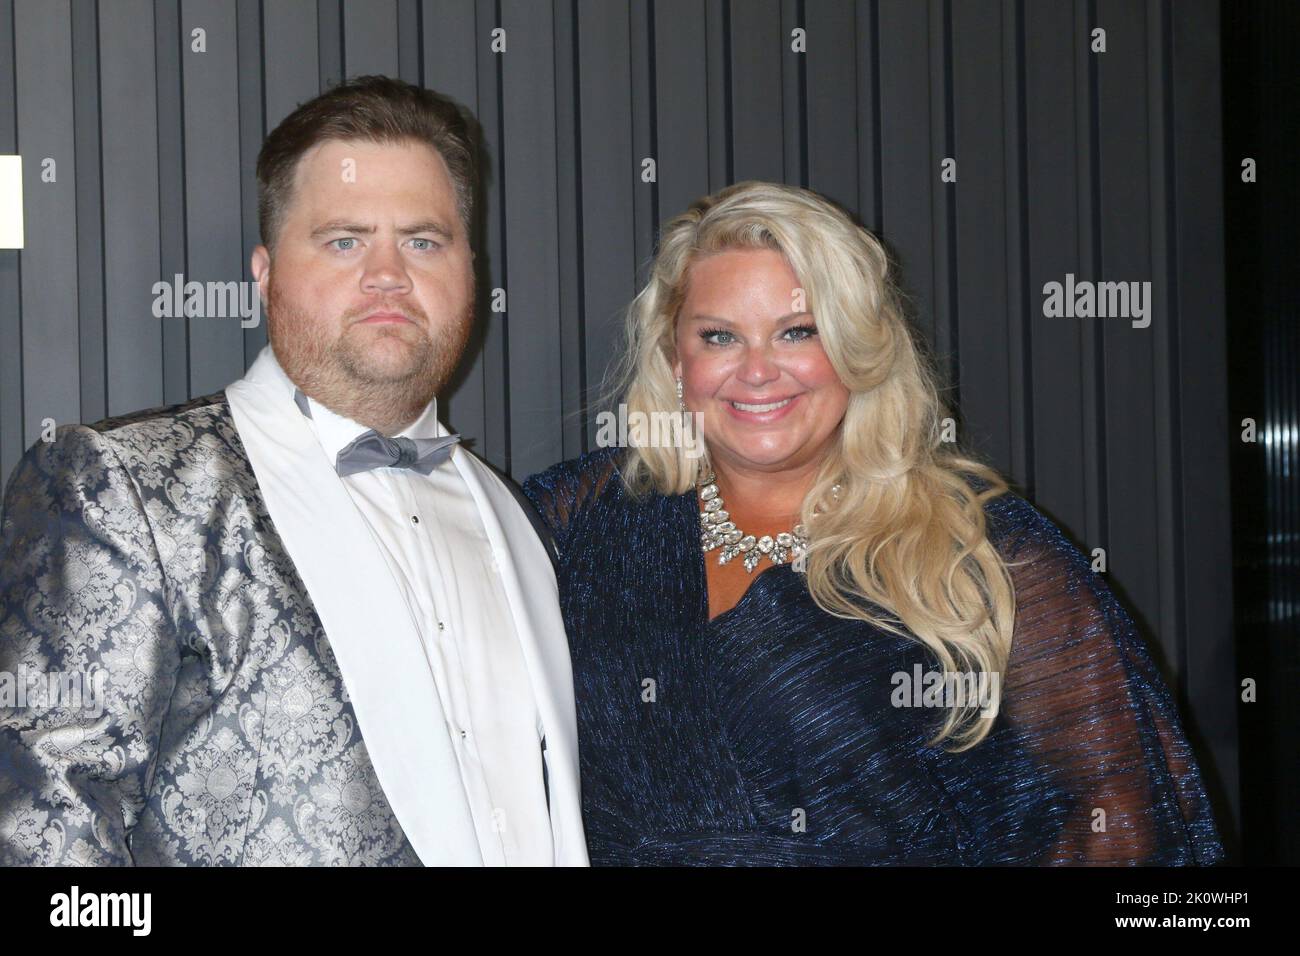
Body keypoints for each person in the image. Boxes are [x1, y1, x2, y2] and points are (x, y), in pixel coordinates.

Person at [523, 180, 1224, 866]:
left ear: (858, 349)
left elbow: (1121, 812)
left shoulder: (973, 545)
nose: (758, 371)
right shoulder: (592, 513)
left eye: (798, 331)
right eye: (720, 337)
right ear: (678, 360)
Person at [0, 75, 587, 866]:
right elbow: (47, 846)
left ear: (470, 273)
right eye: (345, 240)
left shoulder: (516, 516)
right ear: (266, 272)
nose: (388, 274)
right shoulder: (123, 489)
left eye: (423, 241)